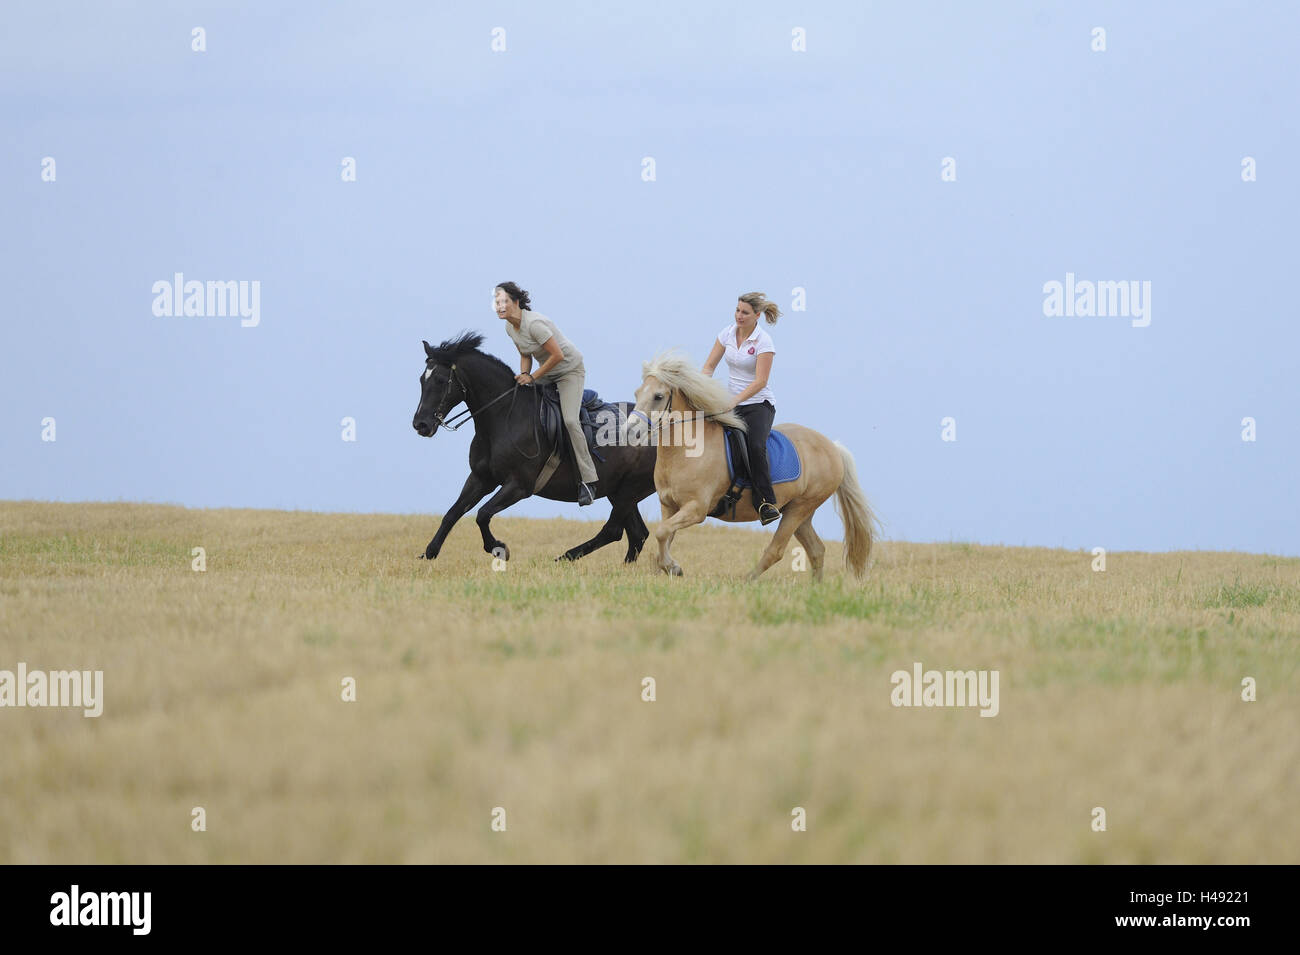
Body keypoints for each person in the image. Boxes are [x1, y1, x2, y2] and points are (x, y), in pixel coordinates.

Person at [494, 281, 599, 505]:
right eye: (497, 301)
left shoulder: (535, 325)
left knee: (570, 421)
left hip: (569, 371)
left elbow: (558, 355)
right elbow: (525, 354)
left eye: (504, 301)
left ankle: (589, 481)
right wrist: (523, 374)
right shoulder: (509, 328)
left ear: (516, 302)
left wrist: (532, 377)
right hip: (548, 372)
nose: (500, 306)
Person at [701, 292, 782, 525]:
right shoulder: (726, 334)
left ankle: (766, 502)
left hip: (758, 405)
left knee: (755, 446)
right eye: (737, 310)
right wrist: (699, 389)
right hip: (729, 402)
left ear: (757, 315)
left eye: (745, 312)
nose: (739, 316)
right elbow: (708, 366)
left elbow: (760, 382)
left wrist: (734, 401)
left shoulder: (763, 341)